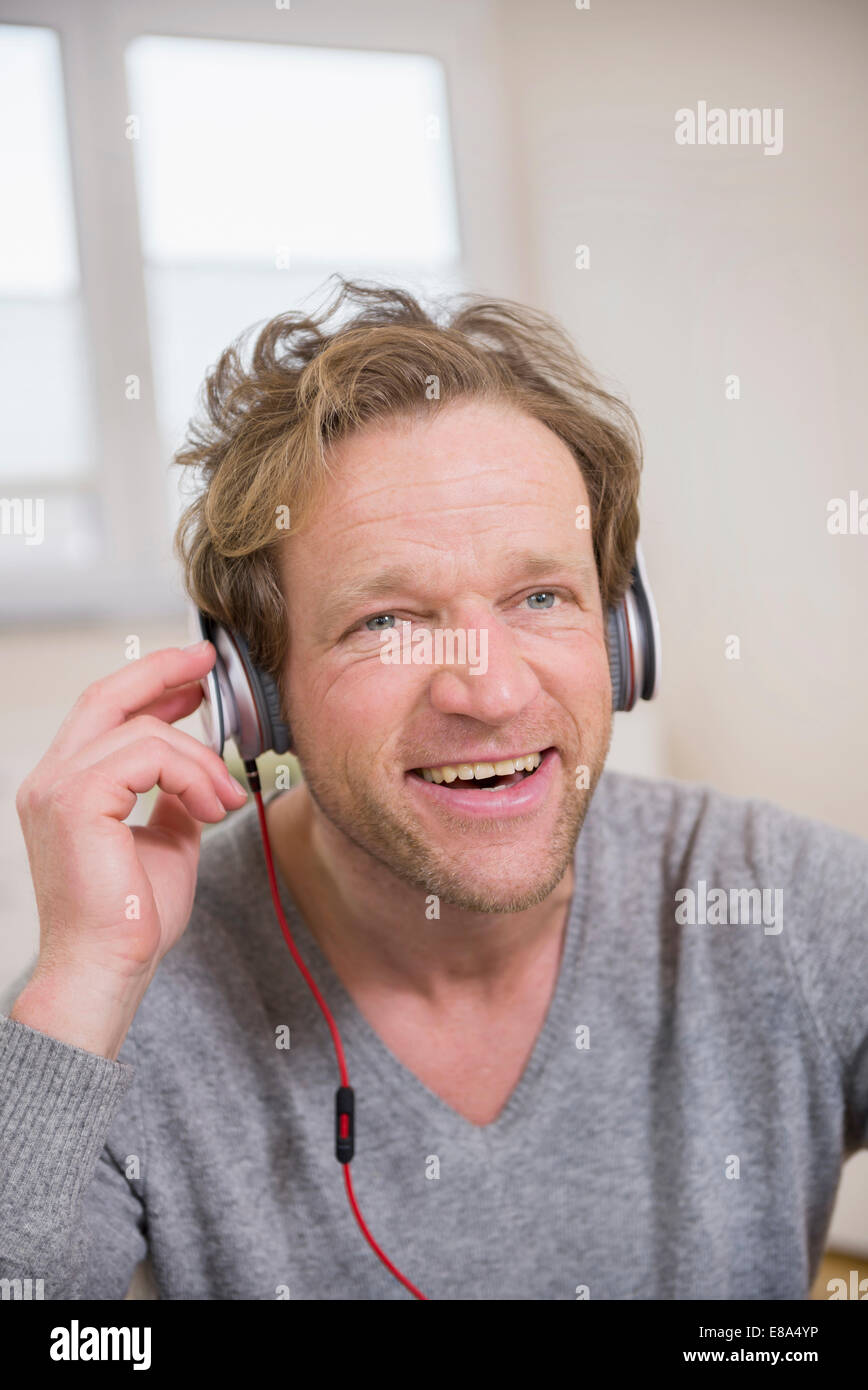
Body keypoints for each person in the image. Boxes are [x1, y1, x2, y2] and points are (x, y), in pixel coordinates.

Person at [2, 279, 866, 1301]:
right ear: (257, 698)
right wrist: (82, 982)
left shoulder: (788, 907)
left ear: (622, 638)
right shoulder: (122, 1000)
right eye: (386, 621)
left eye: (540, 596)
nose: (491, 690)